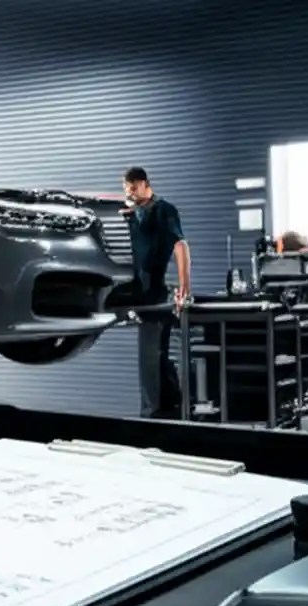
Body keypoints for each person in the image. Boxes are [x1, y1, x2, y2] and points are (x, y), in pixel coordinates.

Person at [120, 166, 191, 418]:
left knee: (153, 359)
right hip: (137, 294)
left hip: (156, 295)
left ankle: (157, 412)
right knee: (153, 360)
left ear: (146, 184)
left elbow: (180, 246)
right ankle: (158, 409)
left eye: (134, 188)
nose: (131, 193)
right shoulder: (130, 214)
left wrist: (184, 286)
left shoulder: (163, 210)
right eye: (126, 189)